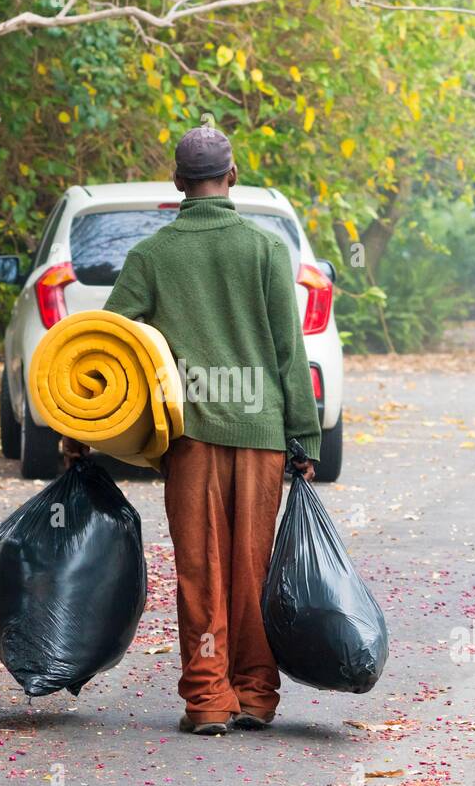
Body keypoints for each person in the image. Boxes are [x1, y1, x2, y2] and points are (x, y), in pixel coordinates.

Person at [64, 125, 322, 735]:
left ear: (179, 182)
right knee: (253, 567)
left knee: (200, 567)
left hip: (192, 437)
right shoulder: (265, 251)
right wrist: (303, 439)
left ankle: (208, 699)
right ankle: (256, 693)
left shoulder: (153, 257)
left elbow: (107, 345)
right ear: (231, 176)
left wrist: (80, 425)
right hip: (259, 434)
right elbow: (289, 352)